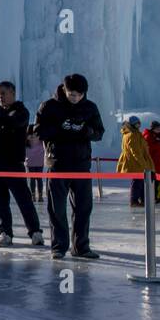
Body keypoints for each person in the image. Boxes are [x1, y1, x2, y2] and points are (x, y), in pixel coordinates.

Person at [35, 74, 106, 260]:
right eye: (71, 94)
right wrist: (61, 128)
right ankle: (58, 247)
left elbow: (99, 132)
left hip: (81, 165)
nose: (75, 97)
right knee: (56, 208)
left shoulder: (90, 108)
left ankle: (81, 247)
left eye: (79, 94)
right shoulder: (49, 106)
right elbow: (38, 130)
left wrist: (85, 130)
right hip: (57, 164)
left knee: (83, 208)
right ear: (64, 90)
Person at [0, 81, 43, 247]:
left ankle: (35, 232)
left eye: (3, 93)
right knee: (0, 201)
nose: (0, 97)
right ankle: (5, 233)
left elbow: (10, 123)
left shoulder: (21, 112)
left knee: (24, 199)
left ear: (13, 93)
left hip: (12, 163)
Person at [118, 116, 153, 207]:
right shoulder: (132, 135)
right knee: (137, 182)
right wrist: (144, 164)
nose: (138, 125)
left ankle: (141, 199)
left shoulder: (134, 133)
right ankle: (134, 200)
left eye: (139, 123)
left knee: (140, 182)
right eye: (137, 123)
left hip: (136, 162)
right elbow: (136, 152)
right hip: (136, 163)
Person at [143, 120, 160, 204]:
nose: (159, 129)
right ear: (153, 128)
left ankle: (156, 197)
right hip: (153, 162)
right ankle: (153, 197)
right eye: (157, 128)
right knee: (153, 181)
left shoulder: (157, 136)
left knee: (157, 181)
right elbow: (149, 149)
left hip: (159, 162)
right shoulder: (149, 136)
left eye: (159, 128)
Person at [26, 125, 46, 202]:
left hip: (31, 161)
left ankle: (33, 196)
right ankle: (39, 196)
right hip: (38, 161)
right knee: (38, 179)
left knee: (32, 179)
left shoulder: (27, 140)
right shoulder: (40, 139)